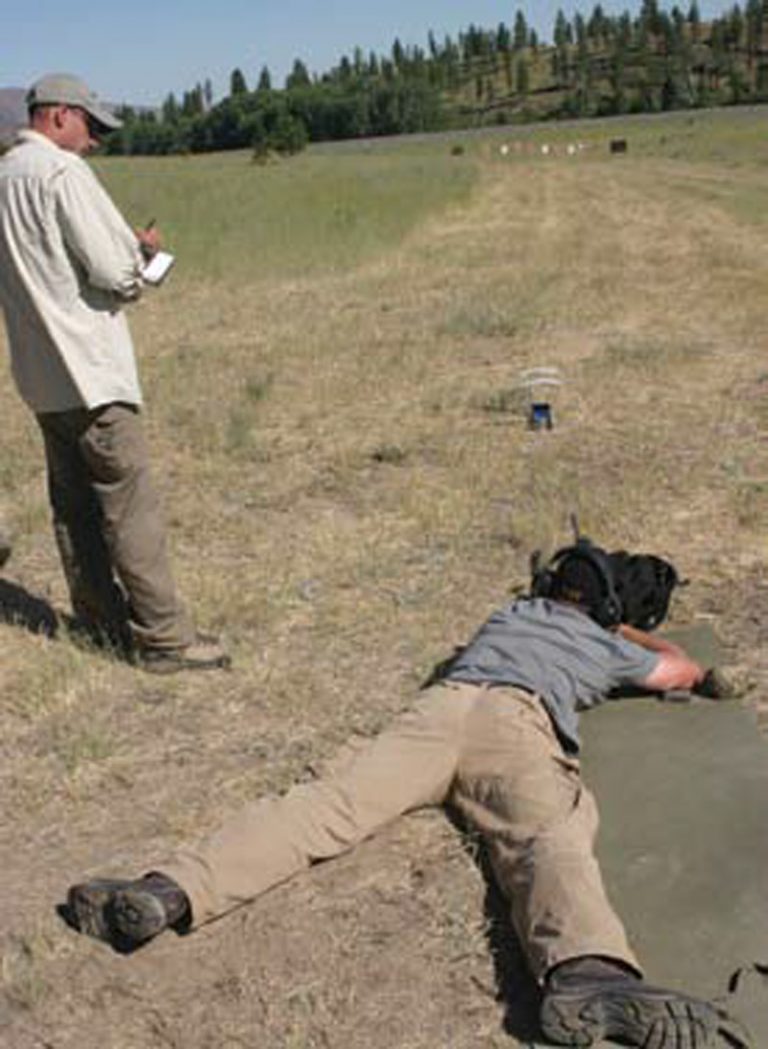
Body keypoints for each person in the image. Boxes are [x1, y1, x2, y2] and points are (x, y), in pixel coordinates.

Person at [67, 539, 734, 1047]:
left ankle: (167, 890)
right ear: (610, 608)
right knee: (547, 837)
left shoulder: (512, 611)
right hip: (516, 722)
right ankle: (590, 971)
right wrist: (627, 634)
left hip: (439, 711)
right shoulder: (604, 643)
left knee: (321, 807)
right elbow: (680, 666)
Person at [0, 73, 229, 673]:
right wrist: (142, 259)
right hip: (93, 373)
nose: (96, 140)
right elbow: (112, 270)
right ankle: (164, 641)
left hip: (41, 378)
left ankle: (100, 624)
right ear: (58, 116)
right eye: (91, 125)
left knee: (73, 510)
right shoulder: (62, 173)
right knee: (130, 508)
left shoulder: (3, 178)